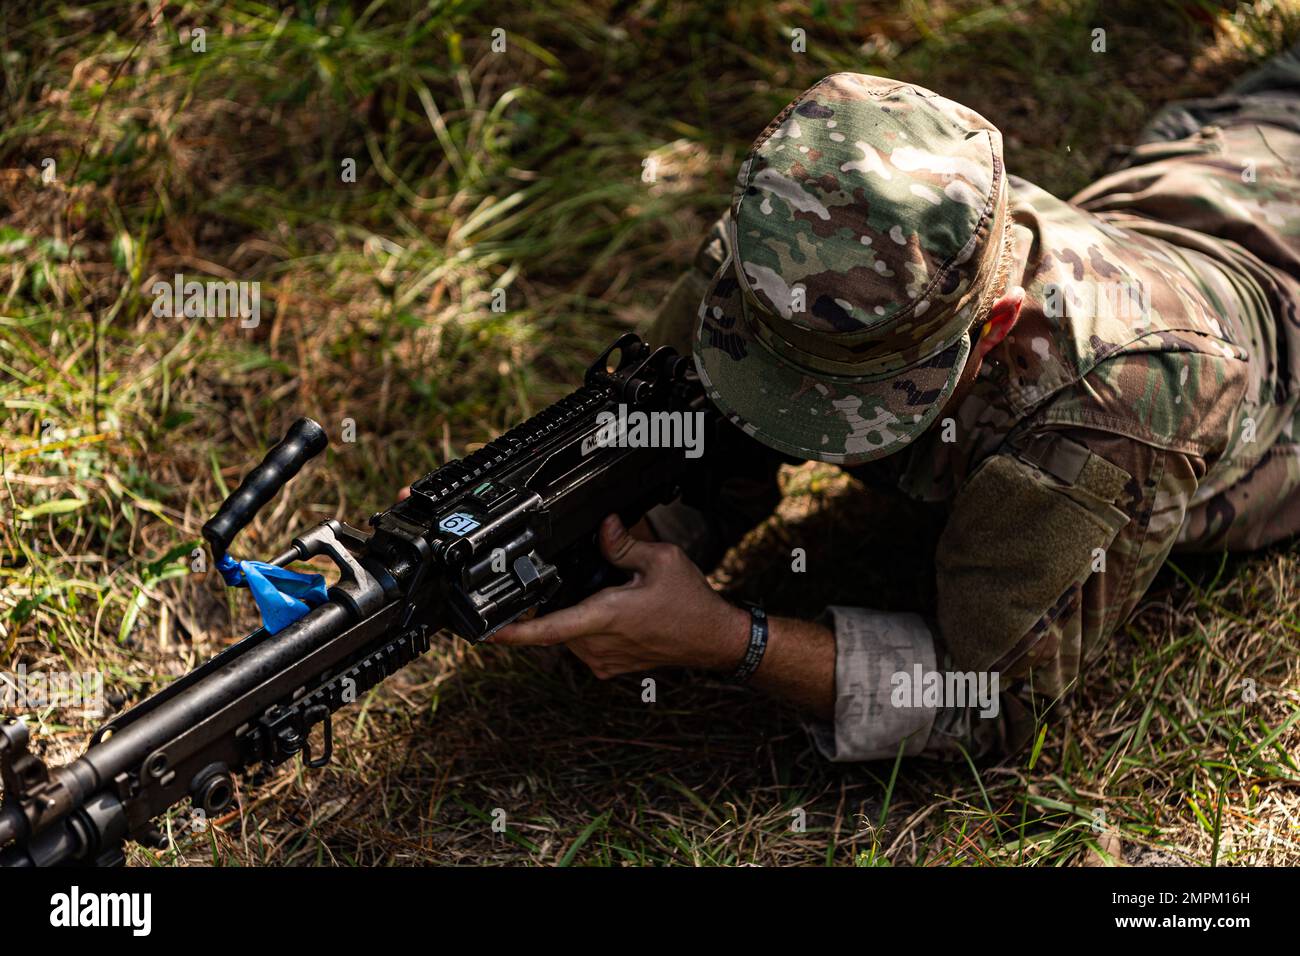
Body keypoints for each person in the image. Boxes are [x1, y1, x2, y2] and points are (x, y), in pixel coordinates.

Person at [492, 49, 1300, 762]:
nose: (800, 415)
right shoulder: (790, 247)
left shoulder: (1113, 403)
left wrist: (730, 641)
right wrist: (534, 520)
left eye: (861, 394)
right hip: (1201, 175)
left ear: (996, 326)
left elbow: (987, 704)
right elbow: (660, 431)